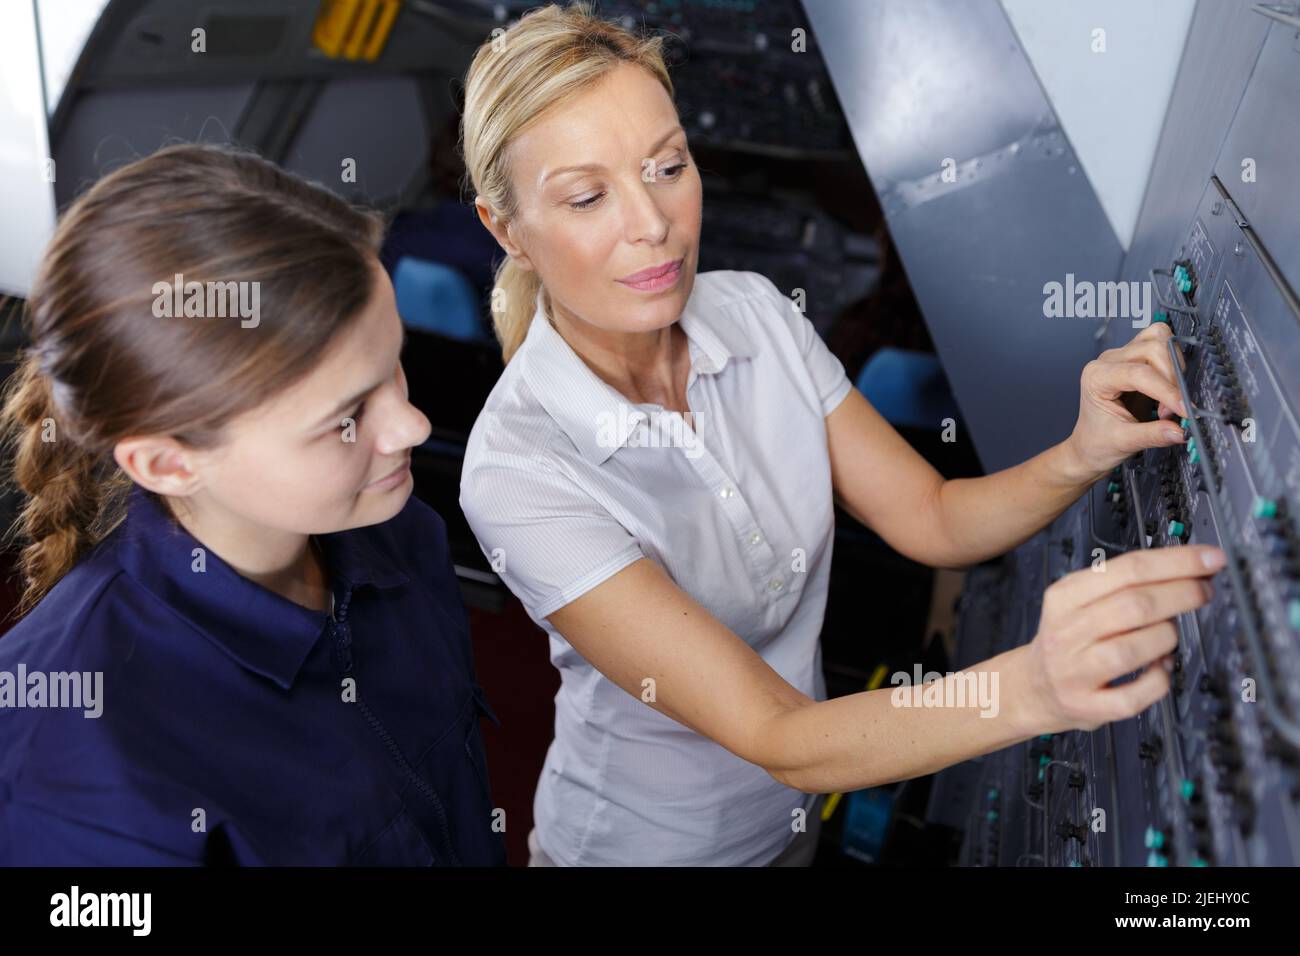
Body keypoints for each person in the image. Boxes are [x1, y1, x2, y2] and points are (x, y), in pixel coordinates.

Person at [456, 3, 1224, 866]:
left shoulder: (751, 310)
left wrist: (1082, 450)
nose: (652, 221)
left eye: (668, 165)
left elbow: (932, 517)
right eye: (590, 196)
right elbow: (777, 732)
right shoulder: (516, 469)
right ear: (504, 228)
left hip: (791, 819)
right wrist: (1035, 687)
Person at [0, 142, 506, 866]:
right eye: (345, 417)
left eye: (393, 362)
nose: (412, 426)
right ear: (168, 462)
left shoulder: (399, 536)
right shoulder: (67, 772)